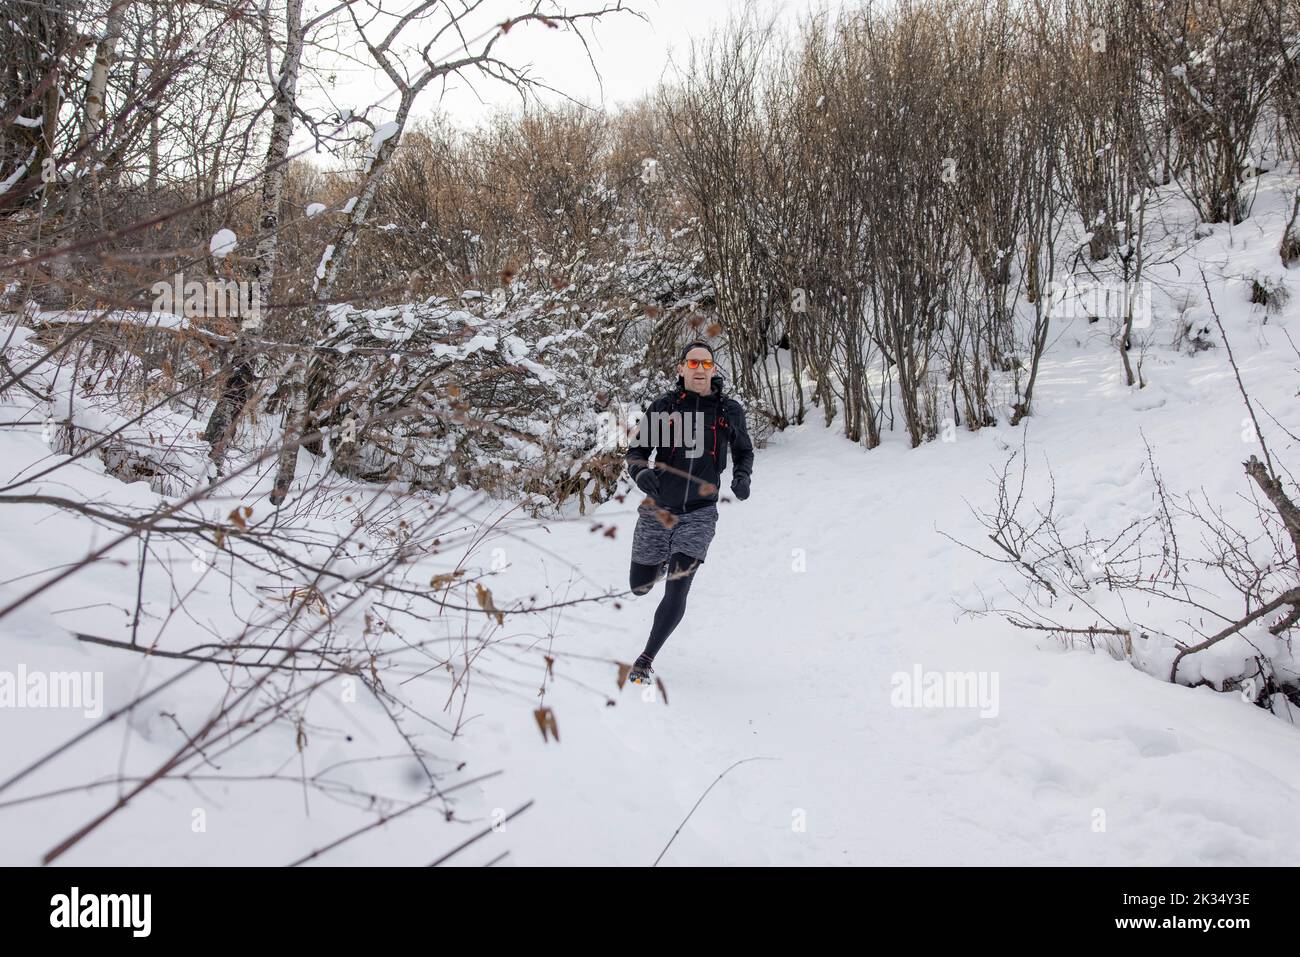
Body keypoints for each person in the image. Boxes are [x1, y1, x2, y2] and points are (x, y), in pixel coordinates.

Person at [623, 340, 754, 685]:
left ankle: (645, 659)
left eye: (706, 364)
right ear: (680, 369)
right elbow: (636, 452)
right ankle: (662, 559)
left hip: (699, 513)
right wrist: (641, 473)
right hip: (658, 510)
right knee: (640, 586)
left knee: (678, 588)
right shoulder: (664, 408)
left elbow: (744, 452)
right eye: (692, 364)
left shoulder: (728, 411)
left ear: (714, 370)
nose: (699, 370)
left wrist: (742, 477)